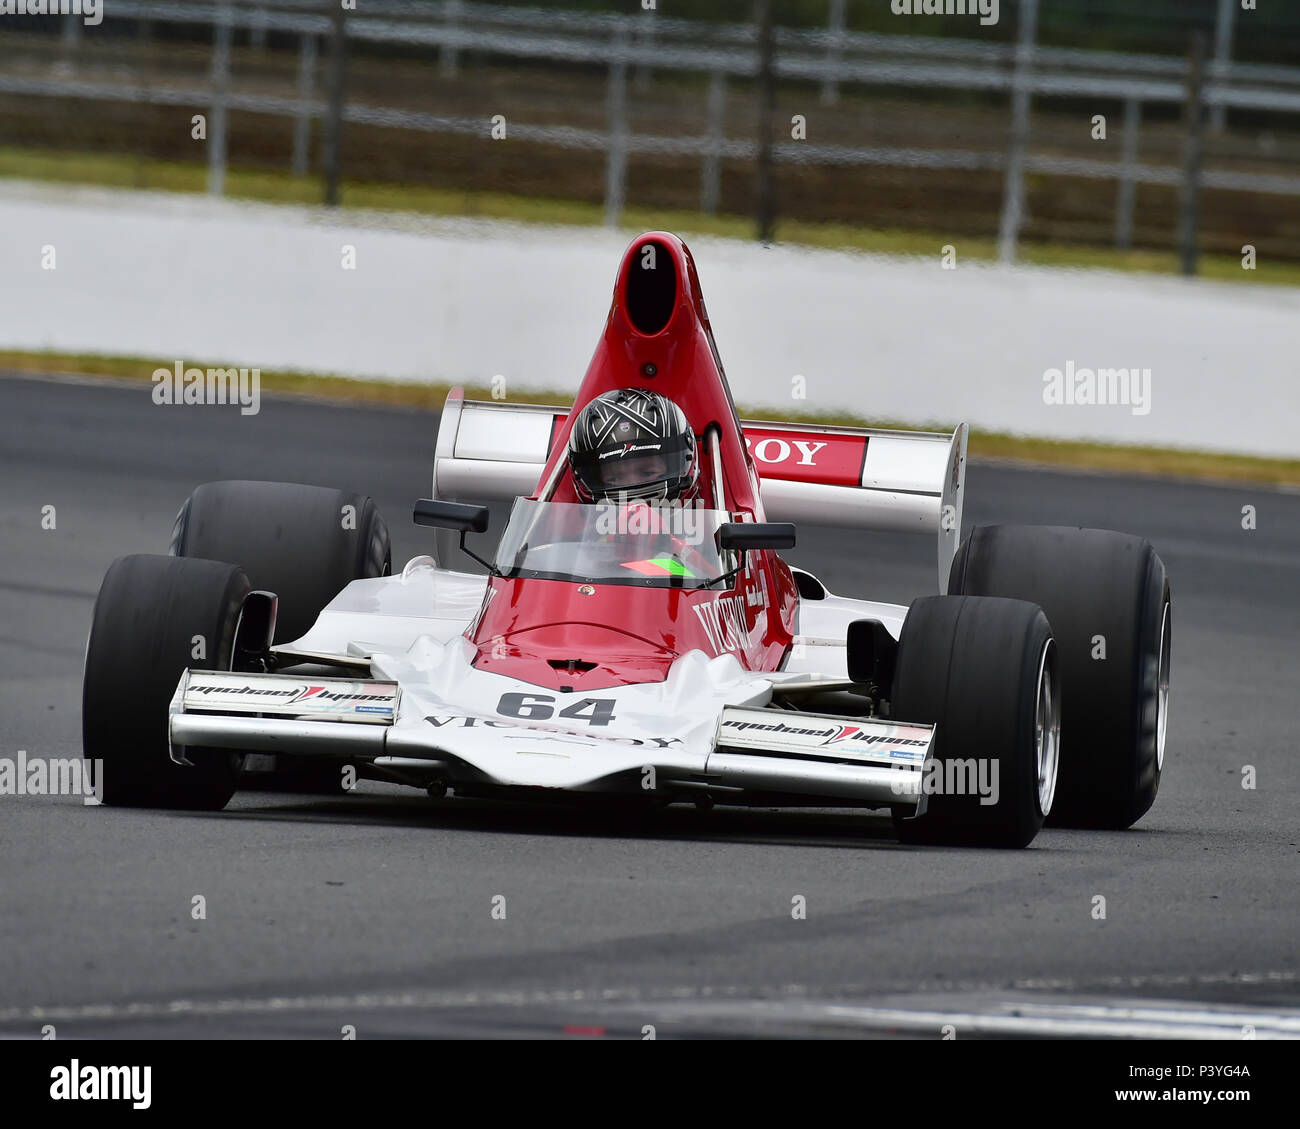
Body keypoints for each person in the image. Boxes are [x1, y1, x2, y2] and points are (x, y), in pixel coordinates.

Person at [566, 388, 711, 580]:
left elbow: (715, 582)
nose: (632, 488)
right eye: (614, 479)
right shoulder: (582, 544)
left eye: (647, 472)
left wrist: (669, 545)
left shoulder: (708, 536)